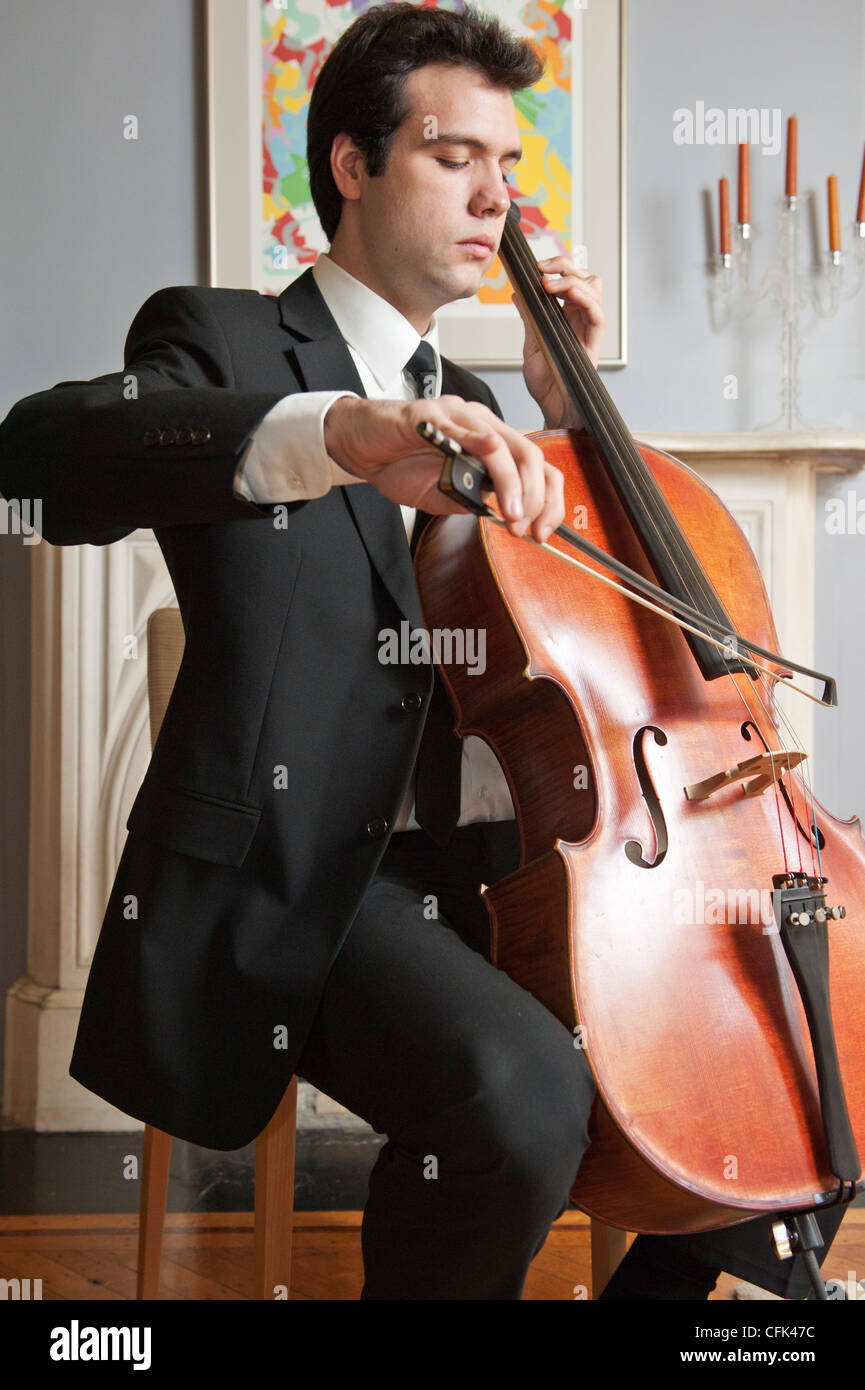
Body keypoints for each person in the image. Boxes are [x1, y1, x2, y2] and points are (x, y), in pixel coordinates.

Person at [0, 3, 845, 1299]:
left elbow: (577, 653)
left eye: (508, 169)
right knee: (519, 1094)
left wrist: (571, 422)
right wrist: (333, 433)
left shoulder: (495, 406)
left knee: (784, 1042)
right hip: (306, 878)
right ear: (352, 162)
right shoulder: (223, 340)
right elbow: (41, 458)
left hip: (505, 873)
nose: (493, 197)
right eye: (455, 158)